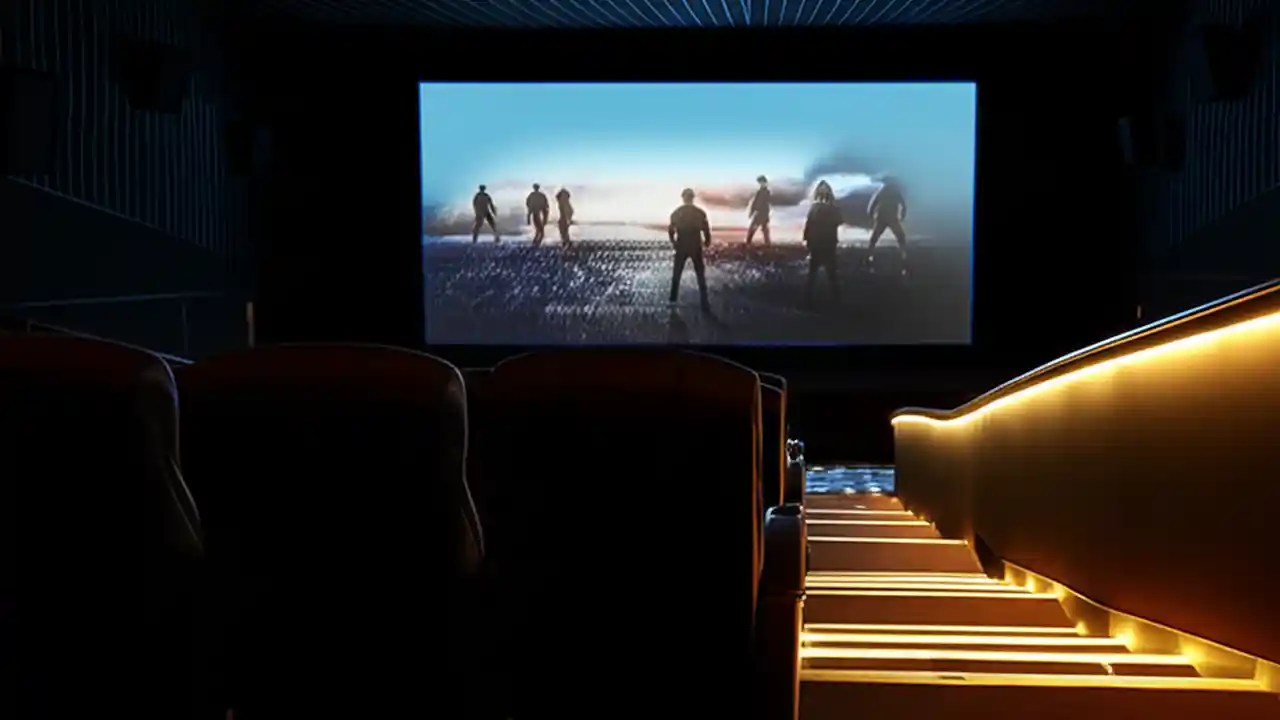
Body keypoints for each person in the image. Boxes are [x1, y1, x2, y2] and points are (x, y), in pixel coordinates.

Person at [668, 187, 712, 313]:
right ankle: (704, 300)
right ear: (692, 198)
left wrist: (674, 242)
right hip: (695, 245)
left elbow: (671, 229)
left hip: (682, 244)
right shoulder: (700, 212)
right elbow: (705, 228)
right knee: (700, 273)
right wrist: (707, 240)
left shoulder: (677, 212)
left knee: (677, 273)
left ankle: (672, 299)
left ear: (683, 198)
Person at [804, 180, 842, 305]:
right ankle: (834, 298)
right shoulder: (832, 208)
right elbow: (839, 220)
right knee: (831, 273)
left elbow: (808, 225)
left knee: (814, 273)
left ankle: (809, 298)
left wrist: (807, 239)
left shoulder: (815, 208)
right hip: (828, 243)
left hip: (818, 243)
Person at [867, 177, 908, 273]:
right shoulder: (889, 191)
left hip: (885, 217)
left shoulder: (884, 191)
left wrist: (871, 213)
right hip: (887, 217)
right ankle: (903, 255)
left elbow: (873, 204)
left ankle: (870, 255)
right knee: (899, 236)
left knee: (898, 236)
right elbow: (903, 205)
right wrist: (902, 215)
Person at [746, 174, 772, 246]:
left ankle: (749, 242)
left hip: (762, 213)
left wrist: (754, 211)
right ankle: (749, 241)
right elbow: (755, 203)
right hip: (760, 213)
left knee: (761, 229)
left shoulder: (766, 192)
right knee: (761, 229)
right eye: (760, 182)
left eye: (761, 182)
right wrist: (752, 211)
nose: (760, 184)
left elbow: (765, 204)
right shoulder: (760, 192)